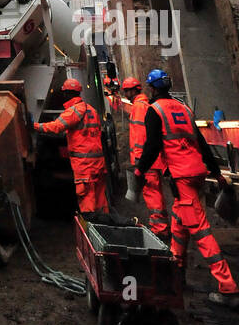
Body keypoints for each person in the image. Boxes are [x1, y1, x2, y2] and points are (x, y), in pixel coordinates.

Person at [133, 68, 239, 309]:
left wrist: (140, 171)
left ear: (152, 88)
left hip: (182, 178)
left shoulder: (155, 111)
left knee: (201, 232)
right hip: (197, 174)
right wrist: (216, 173)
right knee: (178, 225)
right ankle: (177, 274)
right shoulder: (183, 108)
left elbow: (152, 146)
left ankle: (229, 288)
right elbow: (200, 143)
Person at [33, 78, 108, 215]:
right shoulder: (92, 110)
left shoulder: (74, 111)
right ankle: (106, 227)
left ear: (66, 94)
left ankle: (91, 230)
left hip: (84, 166)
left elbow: (56, 126)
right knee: (100, 200)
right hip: (98, 164)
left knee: (87, 202)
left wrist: (35, 126)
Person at [123, 75, 168, 239]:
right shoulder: (140, 105)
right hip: (149, 160)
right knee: (153, 194)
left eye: (127, 91)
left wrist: (140, 162)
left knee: (153, 194)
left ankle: (160, 229)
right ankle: (159, 226)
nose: (126, 94)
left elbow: (143, 137)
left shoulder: (140, 107)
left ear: (134, 90)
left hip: (147, 161)